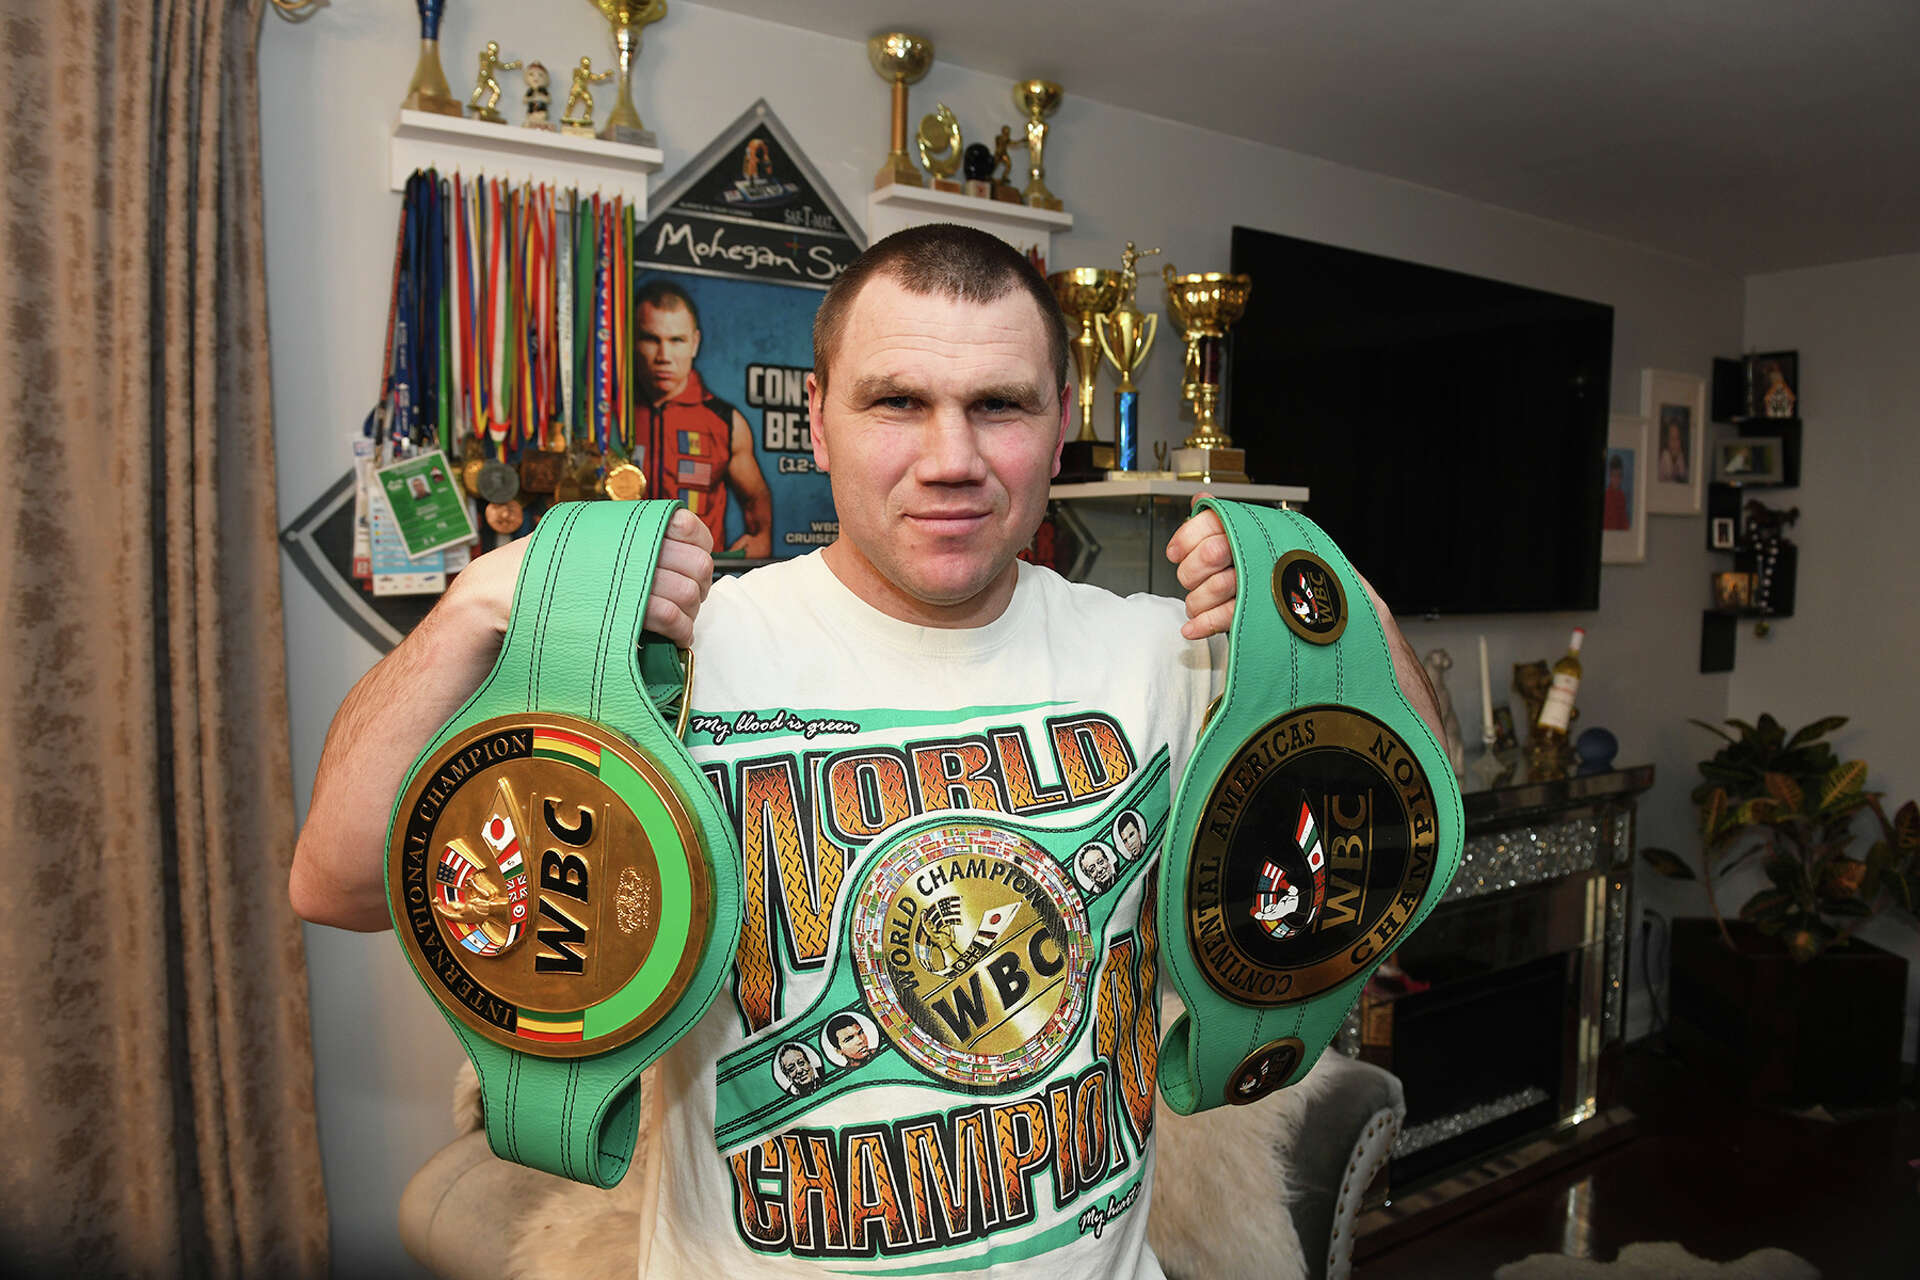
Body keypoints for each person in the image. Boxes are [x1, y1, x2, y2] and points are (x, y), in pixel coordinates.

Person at [289, 224, 1441, 1277]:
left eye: (1000, 403)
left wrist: (1350, 625)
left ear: (1056, 428)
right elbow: (336, 880)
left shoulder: (1164, 655)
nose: (953, 456)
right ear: (822, 417)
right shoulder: (669, 659)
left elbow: (1403, 847)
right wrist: (470, 615)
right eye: (898, 402)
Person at [635, 279, 774, 558]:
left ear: (694, 343)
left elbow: (755, 498)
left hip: (702, 584)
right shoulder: (607, 420)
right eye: (652, 339)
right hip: (621, 580)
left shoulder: (725, 421)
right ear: (633, 341)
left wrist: (760, 538)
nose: (664, 356)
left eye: (677, 340)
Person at [1657, 415, 1688, 483]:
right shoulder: (1665, 455)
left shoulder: (1680, 456)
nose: (1674, 442)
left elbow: (1683, 475)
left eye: (1677, 438)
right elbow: (1666, 476)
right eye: (1671, 438)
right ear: (1667, 440)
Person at [1602, 454, 1629, 530]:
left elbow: (1624, 522)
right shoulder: (1606, 496)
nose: (1617, 480)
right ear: (1610, 476)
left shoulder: (1622, 496)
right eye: (1614, 476)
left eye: (1619, 476)